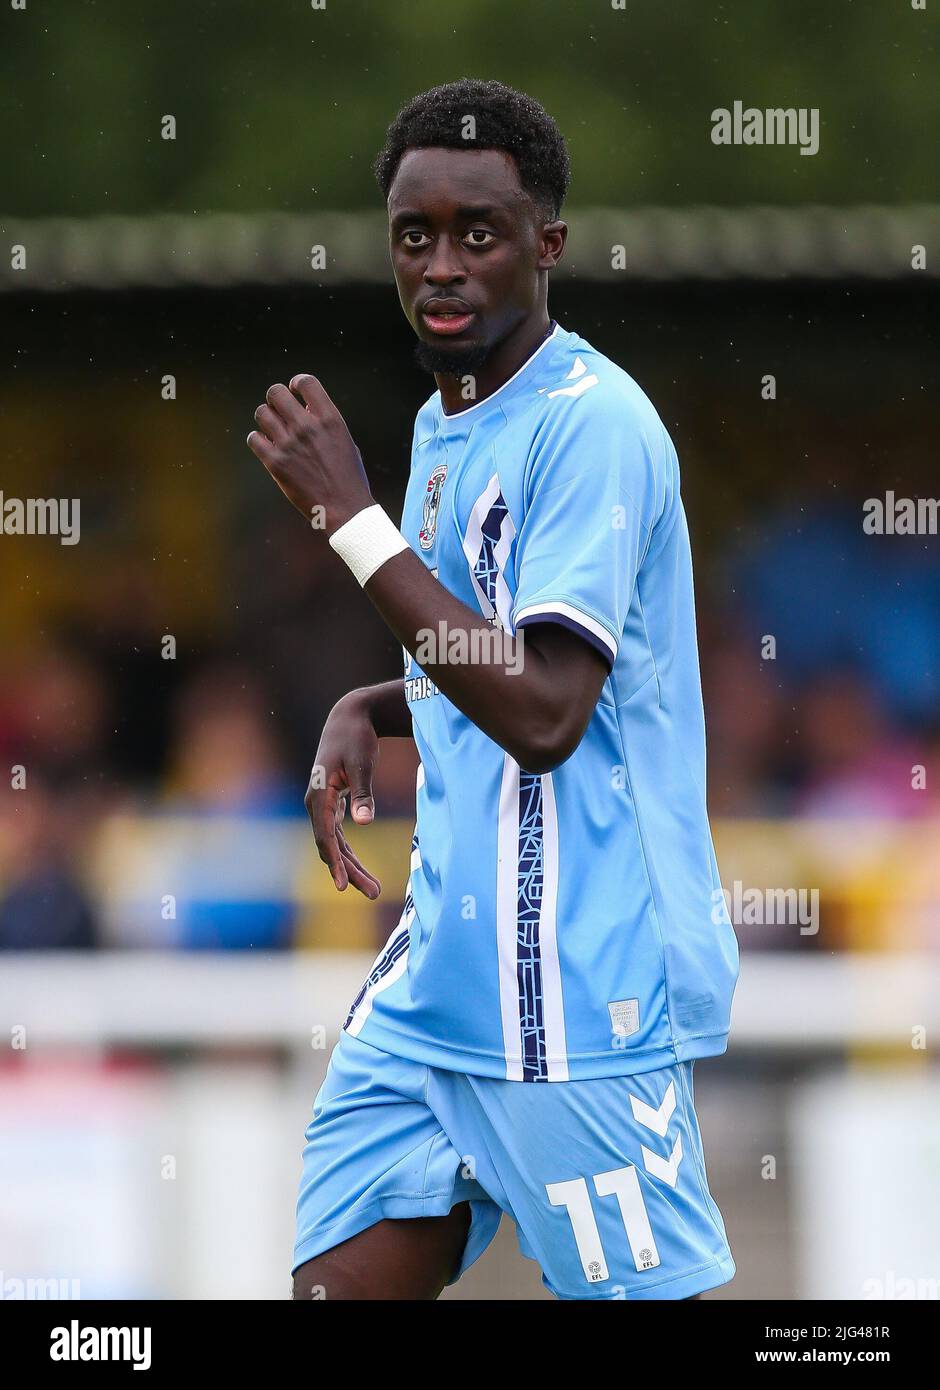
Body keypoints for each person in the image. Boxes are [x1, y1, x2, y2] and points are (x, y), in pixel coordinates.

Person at [247, 79, 739, 1301]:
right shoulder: (441, 422)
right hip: (435, 994)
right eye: (417, 236)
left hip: (578, 998)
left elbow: (548, 709)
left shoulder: (596, 425)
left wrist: (350, 520)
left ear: (548, 247)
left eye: (481, 234)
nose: (444, 266)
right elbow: (478, 652)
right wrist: (376, 703)